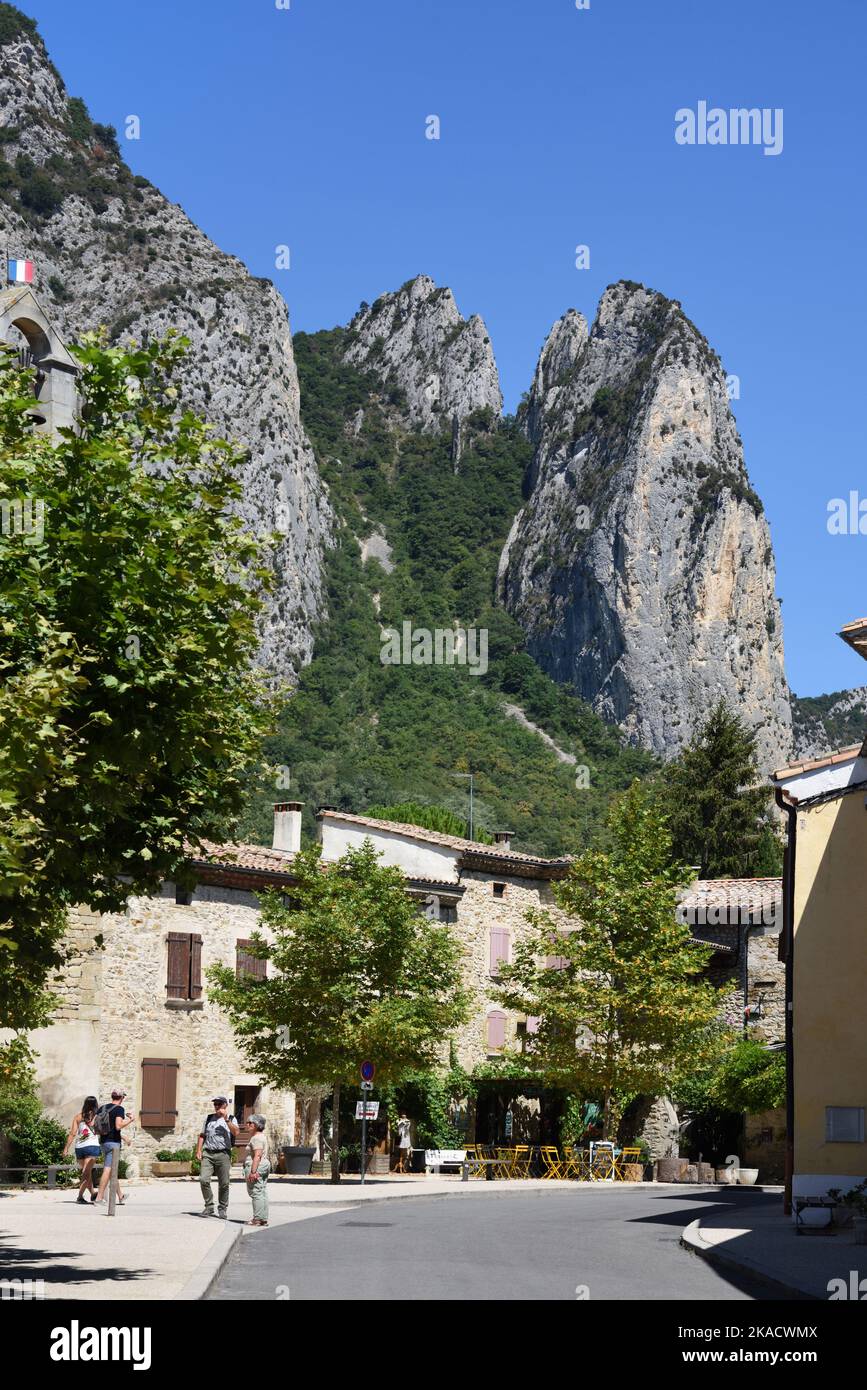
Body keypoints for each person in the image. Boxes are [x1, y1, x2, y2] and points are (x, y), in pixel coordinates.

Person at [196, 1096, 238, 1218]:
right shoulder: (209, 1118)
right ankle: (209, 1206)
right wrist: (199, 1150)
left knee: (224, 1183)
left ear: (225, 1105)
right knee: (204, 1179)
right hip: (208, 1153)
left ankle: (222, 1208)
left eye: (219, 1104)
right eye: (215, 1104)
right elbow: (202, 1135)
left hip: (223, 1154)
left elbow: (236, 1133)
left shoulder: (231, 1118)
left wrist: (226, 1120)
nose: (217, 1106)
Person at [95, 1088, 135, 1205]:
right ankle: (99, 1198)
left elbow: (98, 1125)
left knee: (112, 1170)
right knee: (108, 1170)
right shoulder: (119, 1109)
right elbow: (118, 1126)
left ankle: (120, 1196)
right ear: (121, 1098)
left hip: (103, 1141)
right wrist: (130, 1120)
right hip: (114, 1144)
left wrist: (123, 1137)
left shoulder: (102, 1108)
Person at [62, 1095, 101, 1204]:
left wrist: (66, 1148)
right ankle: (80, 1197)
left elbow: (72, 1133)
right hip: (92, 1146)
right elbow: (102, 1131)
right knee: (86, 1172)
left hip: (79, 1147)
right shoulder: (97, 1117)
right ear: (95, 1105)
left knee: (86, 1173)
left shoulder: (78, 1117)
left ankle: (93, 1193)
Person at [244, 1114, 270, 1227]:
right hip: (263, 1165)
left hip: (257, 1165)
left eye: (249, 1123)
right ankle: (262, 1218)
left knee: (256, 1192)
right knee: (261, 1191)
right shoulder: (261, 1136)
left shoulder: (256, 1138)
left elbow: (257, 1155)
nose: (247, 1125)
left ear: (255, 1125)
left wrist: (253, 1171)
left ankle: (258, 1219)